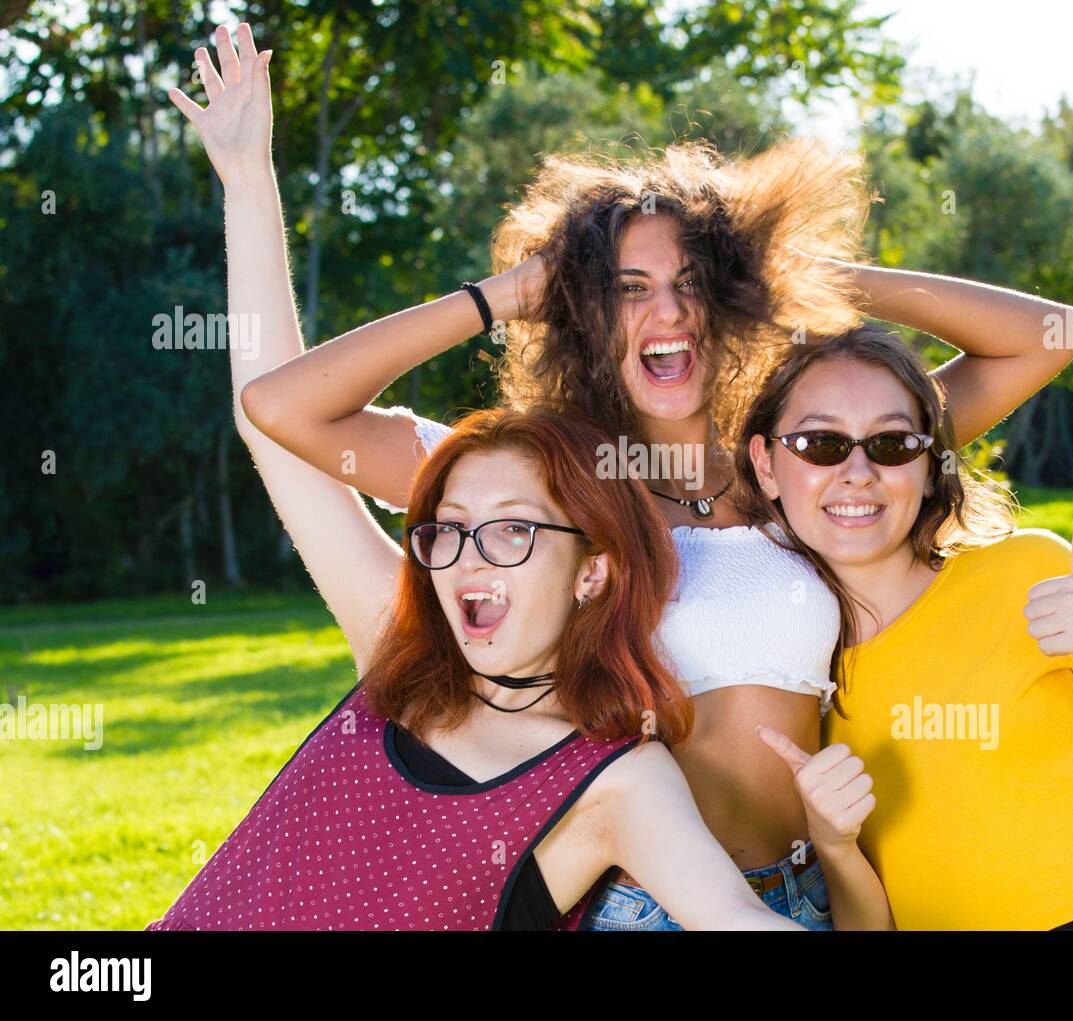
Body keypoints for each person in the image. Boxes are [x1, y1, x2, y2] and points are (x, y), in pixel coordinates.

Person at [177, 21, 1073, 929]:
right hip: (634, 905)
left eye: (695, 279)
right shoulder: (544, 485)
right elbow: (286, 411)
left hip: (821, 885)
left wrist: (793, 272)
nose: (670, 310)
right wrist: (500, 296)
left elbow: (1045, 339)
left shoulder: (805, 463)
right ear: (583, 310)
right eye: (629, 285)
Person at [154, 23, 805, 932]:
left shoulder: (611, 779)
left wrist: (782, 273)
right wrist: (247, 179)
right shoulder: (412, 641)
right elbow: (275, 417)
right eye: (445, 530)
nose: (467, 556)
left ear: (594, 568)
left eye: (510, 533)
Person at [735, 323, 1073, 930]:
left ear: (931, 467)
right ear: (766, 465)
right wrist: (833, 844)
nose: (858, 472)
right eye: (822, 443)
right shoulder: (796, 676)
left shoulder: (1028, 570)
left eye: (893, 444)